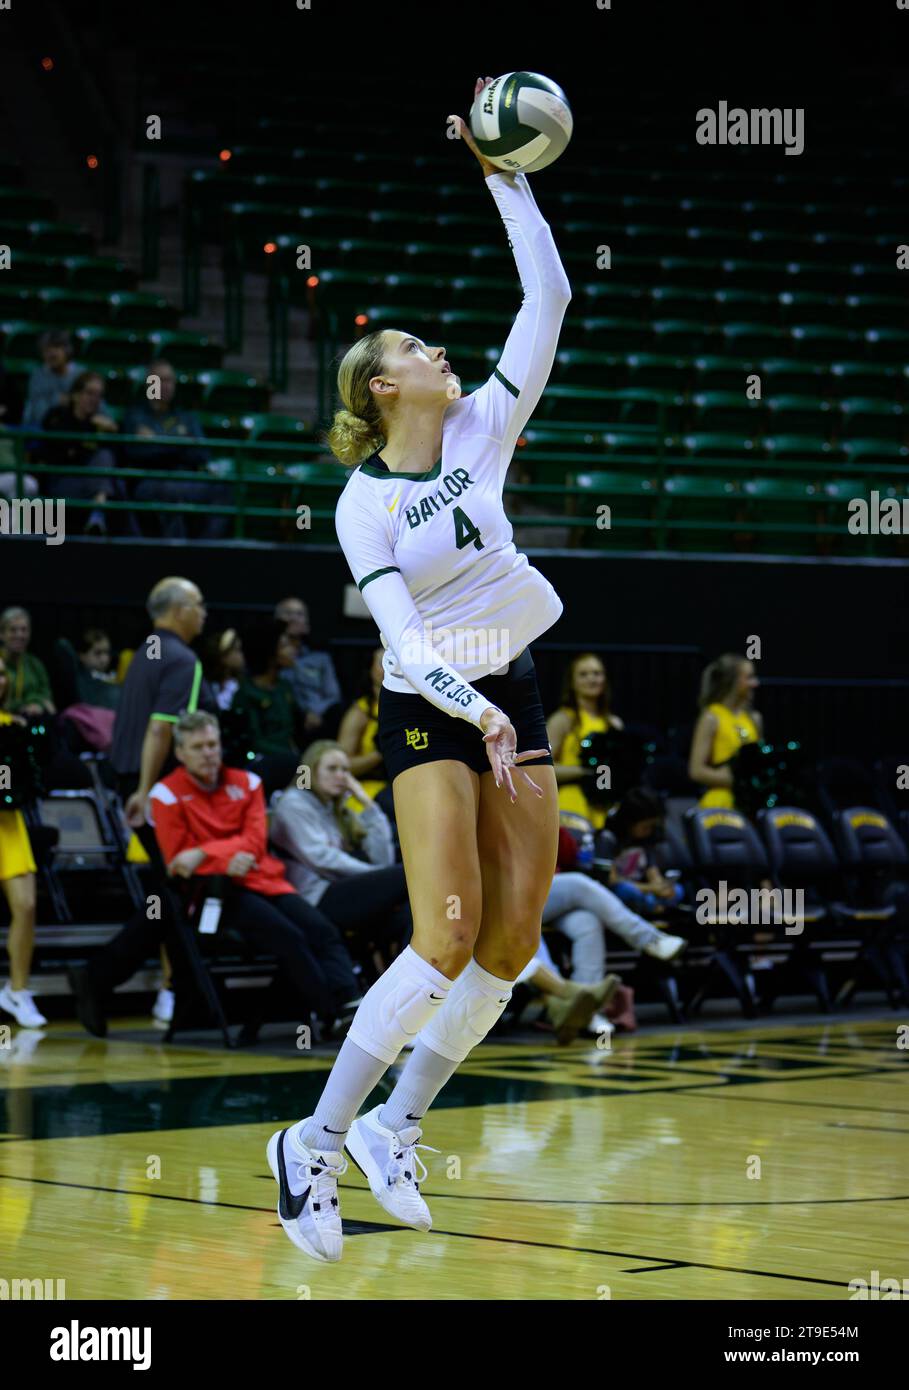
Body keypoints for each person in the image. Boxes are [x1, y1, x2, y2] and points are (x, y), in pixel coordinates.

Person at [266, 78, 572, 1264]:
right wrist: (469, 712)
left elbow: (546, 295)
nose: (437, 346)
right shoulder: (364, 508)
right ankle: (316, 1137)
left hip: (515, 679)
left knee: (509, 944)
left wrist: (506, 181)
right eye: (411, 346)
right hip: (428, 704)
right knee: (443, 934)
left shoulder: (486, 425)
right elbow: (404, 642)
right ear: (383, 387)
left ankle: (400, 1124)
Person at [147, 712, 361, 1034]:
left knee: (322, 929)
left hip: (264, 878)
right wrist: (221, 861)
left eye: (213, 744)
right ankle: (329, 1013)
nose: (208, 752)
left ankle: (350, 1003)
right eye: (198, 746)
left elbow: (255, 841)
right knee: (289, 936)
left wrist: (205, 851)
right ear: (180, 753)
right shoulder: (164, 794)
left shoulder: (247, 782)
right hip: (214, 892)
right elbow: (179, 861)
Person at [69, 578, 215, 1035]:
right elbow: (160, 729)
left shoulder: (146, 650)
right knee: (176, 892)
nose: (205, 612)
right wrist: (149, 791)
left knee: (174, 893)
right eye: (199, 603)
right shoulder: (181, 658)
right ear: (180, 609)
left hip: (130, 778)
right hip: (155, 788)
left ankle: (186, 998)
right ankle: (100, 975)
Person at [270, 740, 411, 972]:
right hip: (315, 898)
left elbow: (382, 859)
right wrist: (379, 876)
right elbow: (321, 858)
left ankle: (404, 981)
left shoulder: (336, 808)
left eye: (345, 770)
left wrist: (366, 803)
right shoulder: (293, 804)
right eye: (332, 769)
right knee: (409, 875)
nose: (341, 776)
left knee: (408, 913)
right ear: (312, 770)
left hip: (344, 891)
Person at [123, 359, 230, 539]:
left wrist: (158, 441)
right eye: (161, 380)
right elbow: (136, 452)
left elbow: (203, 454)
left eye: (170, 380)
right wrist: (181, 443)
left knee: (223, 488)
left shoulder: (186, 417)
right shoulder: (136, 416)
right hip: (149, 481)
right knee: (170, 495)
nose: (167, 386)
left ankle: (206, 549)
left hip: (185, 479)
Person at [0, 655, 45, 1028]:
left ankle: (17, 991)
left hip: (8, 825)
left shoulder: (13, 727)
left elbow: (25, 783)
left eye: (1, 673)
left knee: (26, 905)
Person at [39, 370, 125, 534]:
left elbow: (118, 459)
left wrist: (113, 432)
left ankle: (99, 516)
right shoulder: (57, 416)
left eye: (99, 395)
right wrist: (89, 429)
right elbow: (60, 453)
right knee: (113, 488)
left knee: (108, 462)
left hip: (94, 482)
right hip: (63, 480)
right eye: (89, 393)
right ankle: (99, 514)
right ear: (76, 395)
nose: (94, 399)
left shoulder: (103, 424)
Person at [546, 652, 623, 831]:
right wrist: (586, 771)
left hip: (606, 803)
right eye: (583, 674)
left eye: (597, 673)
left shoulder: (614, 723)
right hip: (571, 804)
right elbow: (542, 766)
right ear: (572, 682)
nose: (592, 679)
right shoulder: (562, 719)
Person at [232, 619, 301, 791]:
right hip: (261, 763)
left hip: (292, 759)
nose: (292, 651)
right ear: (270, 653)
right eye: (284, 646)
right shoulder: (245, 693)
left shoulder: (284, 687)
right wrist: (292, 756)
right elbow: (253, 741)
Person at [688, 653, 763, 809]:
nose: (755, 683)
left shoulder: (754, 719)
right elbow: (696, 771)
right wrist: (738, 781)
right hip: (722, 802)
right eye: (749, 677)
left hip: (752, 801)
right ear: (732, 681)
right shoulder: (711, 717)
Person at [274, 597, 343, 740]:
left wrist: (313, 712)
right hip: (287, 717)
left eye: (299, 614)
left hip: (319, 718)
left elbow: (333, 695)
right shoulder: (270, 658)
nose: (293, 618)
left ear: (307, 623)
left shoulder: (320, 658)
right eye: (288, 613)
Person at [22, 329, 110, 431]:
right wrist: (58, 400)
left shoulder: (81, 374)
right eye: (46, 349)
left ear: (67, 349)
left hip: (78, 427)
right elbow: (38, 412)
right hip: (46, 428)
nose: (52, 353)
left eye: (57, 347)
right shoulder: (38, 376)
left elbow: (98, 404)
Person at [0, 607, 55, 717]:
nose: (19, 635)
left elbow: (46, 696)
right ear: (1, 634)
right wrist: (21, 706)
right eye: (13, 630)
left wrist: (38, 703)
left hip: (30, 721)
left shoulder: (35, 664)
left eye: (24, 630)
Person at [201, 628, 245, 710]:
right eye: (236, 650)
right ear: (223, 656)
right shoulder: (205, 685)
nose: (241, 656)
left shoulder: (240, 686)